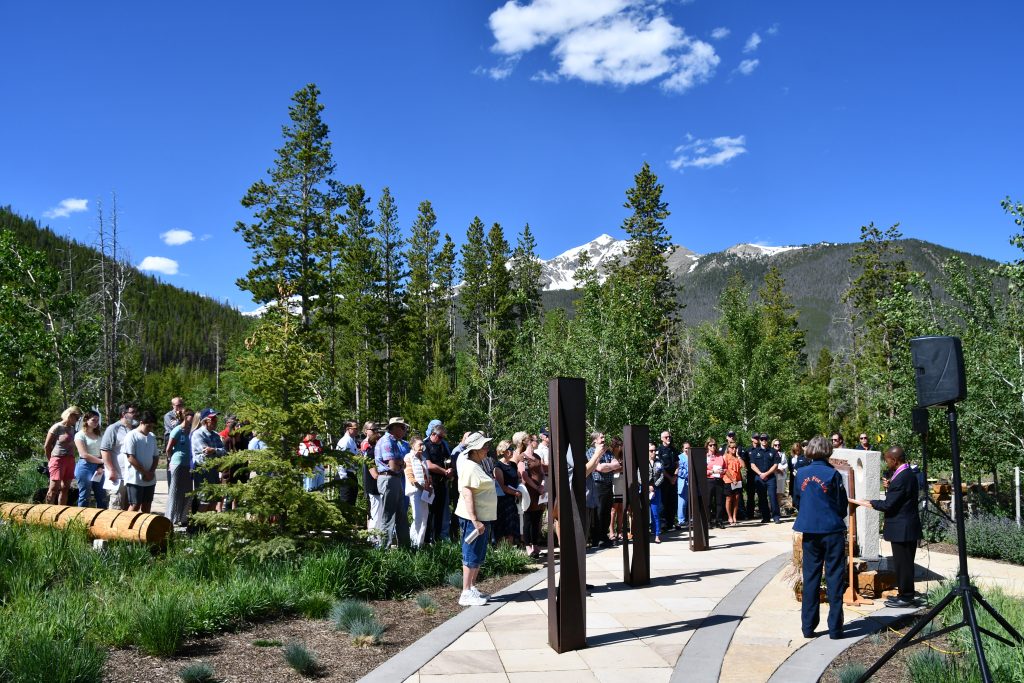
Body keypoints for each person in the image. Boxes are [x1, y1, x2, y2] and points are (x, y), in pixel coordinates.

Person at [850, 446, 924, 608]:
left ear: (894, 460)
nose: (886, 463)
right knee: (903, 564)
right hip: (905, 527)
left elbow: (888, 505)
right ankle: (904, 594)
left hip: (903, 529)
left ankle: (906, 597)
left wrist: (869, 502)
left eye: (887, 460)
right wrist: (890, 486)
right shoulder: (907, 474)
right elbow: (900, 496)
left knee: (904, 565)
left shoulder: (903, 477)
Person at [792, 435, 848, 640]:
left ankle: (808, 627)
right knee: (834, 578)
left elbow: (797, 500)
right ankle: (835, 629)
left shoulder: (801, 473)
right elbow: (842, 504)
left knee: (811, 579)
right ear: (827, 451)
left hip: (810, 531)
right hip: (831, 530)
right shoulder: (832, 474)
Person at [454, 432, 498, 606]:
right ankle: (465, 592)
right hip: (473, 519)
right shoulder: (469, 467)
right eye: (484, 446)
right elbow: (467, 494)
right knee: (471, 554)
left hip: (482, 518)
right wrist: (475, 520)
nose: (487, 449)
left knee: (478, 554)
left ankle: (471, 588)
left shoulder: (476, 465)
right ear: (475, 450)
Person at [375, 417, 411, 548]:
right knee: (388, 515)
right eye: (403, 427)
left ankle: (405, 547)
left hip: (395, 479)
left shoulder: (394, 442)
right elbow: (394, 466)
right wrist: (400, 464)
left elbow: (401, 464)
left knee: (401, 514)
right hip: (388, 479)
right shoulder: (387, 441)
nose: (405, 430)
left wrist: (400, 463)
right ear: (394, 427)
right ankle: (383, 548)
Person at [422, 420, 454, 544]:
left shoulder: (442, 445)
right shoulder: (425, 445)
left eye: (443, 437)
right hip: (430, 484)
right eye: (440, 437)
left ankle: (437, 540)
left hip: (442, 483)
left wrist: (450, 469)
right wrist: (444, 471)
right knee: (429, 513)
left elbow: (448, 459)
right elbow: (429, 465)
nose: (441, 439)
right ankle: (426, 540)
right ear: (433, 434)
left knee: (440, 512)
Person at [101, 404, 137, 510]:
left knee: (129, 507)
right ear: (123, 414)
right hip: (118, 477)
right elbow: (105, 450)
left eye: (136, 412)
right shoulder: (113, 428)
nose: (136, 414)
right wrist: (111, 470)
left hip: (132, 476)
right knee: (116, 507)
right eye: (132, 412)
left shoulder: (136, 429)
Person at [190, 408, 226, 513]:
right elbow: (205, 453)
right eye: (213, 419)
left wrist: (214, 450)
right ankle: (199, 522)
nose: (216, 421)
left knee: (214, 500)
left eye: (216, 419)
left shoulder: (216, 435)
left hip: (214, 471)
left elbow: (224, 452)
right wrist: (216, 452)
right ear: (205, 421)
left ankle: (209, 523)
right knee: (204, 501)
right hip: (203, 471)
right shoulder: (198, 434)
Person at [123, 411, 159, 513]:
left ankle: (145, 523)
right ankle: (127, 522)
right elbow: (130, 457)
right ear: (141, 422)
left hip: (150, 478)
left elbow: (156, 457)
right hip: (135, 479)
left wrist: (151, 472)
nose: (150, 429)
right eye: (148, 426)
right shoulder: (131, 435)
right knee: (135, 505)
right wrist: (145, 473)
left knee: (147, 505)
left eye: (152, 427)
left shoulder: (152, 436)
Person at [44, 406, 81, 505]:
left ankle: (61, 510)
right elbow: (47, 446)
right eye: (76, 417)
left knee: (65, 488)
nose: (77, 420)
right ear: (70, 415)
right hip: (57, 459)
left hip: (70, 460)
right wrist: (50, 460)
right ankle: (47, 510)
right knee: (54, 488)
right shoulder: (57, 427)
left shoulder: (73, 429)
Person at [592, 433, 623, 548]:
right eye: (601, 437)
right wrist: (610, 466)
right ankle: (597, 538)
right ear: (595, 440)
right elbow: (599, 468)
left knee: (606, 512)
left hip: (609, 485)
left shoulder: (608, 452)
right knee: (599, 512)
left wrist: (607, 466)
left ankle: (604, 537)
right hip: (598, 485)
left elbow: (617, 464)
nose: (604, 439)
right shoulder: (591, 451)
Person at [165, 408, 194, 527]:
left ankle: (183, 517)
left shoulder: (191, 431)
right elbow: (168, 449)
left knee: (187, 491)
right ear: (185, 416)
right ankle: (170, 518)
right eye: (190, 415)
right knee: (175, 490)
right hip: (177, 462)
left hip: (188, 464)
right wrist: (170, 461)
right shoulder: (177, 430)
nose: (192, 417)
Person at [517, 431, 545, 558]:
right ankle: (527, 546)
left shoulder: (537, 456)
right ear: (528, 442)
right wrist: (536, 487)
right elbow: (524, 476)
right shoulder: (522, 457)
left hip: (539, 491)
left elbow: (542, 472)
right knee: (528, 519)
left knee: (537, 519)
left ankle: (535, 545)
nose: (537, 442)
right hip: (529, 492)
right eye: (535, 440)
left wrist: (542, 485)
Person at [73, 409, 107, 508]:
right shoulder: (79, 435)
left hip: (99, 467)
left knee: (101, 495)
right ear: (86, 420)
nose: (96, 422)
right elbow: (84, 454)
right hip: (85, 467)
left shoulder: (99, 435)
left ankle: (102, 515)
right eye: (93, 420)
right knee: (85, 496)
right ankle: (80, 516)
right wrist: (102, 461)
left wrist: (101, 465)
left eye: (97, 420)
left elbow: (103, 451)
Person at [493, 439, 522, 545]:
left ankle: (511, 547)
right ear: (503, 450)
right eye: (510, 449)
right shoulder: (498, 467)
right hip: (503, 500)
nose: (512, 451)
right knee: (504, 525)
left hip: (514, 498)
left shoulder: (513, 464)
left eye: (513, 449)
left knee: (512, 526)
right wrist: (515, 493)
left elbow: (518, 479)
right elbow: (502, 486)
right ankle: (504, 550)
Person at [405, 437, 433, 548]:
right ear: (413, 446)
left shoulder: (423, 458)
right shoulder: (408, 457)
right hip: (415, 491)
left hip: (425, 491)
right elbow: (410, 476)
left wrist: (430, 487)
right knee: (417, 517)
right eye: (419, 445)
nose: (422, 447)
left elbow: (428, 475)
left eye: (422, 444)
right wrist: (421, 488)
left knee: (424, 518)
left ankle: (420, 544)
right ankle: (413, 544)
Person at [750, 433, 781, 523]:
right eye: (762, 439)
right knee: (762, 498)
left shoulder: (773, 451)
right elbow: (752, 465)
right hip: (759, 478)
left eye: (765, 439)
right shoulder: (755, 451)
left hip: (771, 477)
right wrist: (761, 474)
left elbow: (775, 465)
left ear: (768, 440)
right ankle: (766, 517)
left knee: (773, 497)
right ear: (760, 440)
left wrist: (766, 474)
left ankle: (776, 517)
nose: (764, 441)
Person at [656, 431, 680, 530]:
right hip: (664, 479)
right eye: (666, 437)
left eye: (669, 436)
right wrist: (670, 478)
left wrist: (674, 476)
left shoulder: (674, 449)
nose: (668, 438)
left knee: (673, 501)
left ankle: (671, 523)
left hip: (673, 479)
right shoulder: (659, 450)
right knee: (663, 502)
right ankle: (663, 524)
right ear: (662, 438)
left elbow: (678, 464)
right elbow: (660, 467)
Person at [609, 437, 627, 542]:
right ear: (615, 446)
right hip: (613, 483)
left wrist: (620, 468)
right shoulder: (609, 456)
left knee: (621, 509)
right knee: (613, 509)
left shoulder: (623, 456)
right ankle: (611, 531)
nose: (621, 447)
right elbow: (609, 470)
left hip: (622, 483)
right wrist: (619, 468)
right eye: (620, 445)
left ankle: (620, 531)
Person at [705, 438, 726, 528]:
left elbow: (725, 468)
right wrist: (712, 472)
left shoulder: (720, 456)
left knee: (719, 502)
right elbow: (702, 470)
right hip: (709, 481)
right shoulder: (705, 457)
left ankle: (719, 521)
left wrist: (723, 471)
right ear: (707, 446)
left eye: (714, 445)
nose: (713, 446)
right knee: (708, 502)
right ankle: (708, 521)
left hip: (719, 480)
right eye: (711, 445)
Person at [722, 442, 744, 525]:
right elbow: (725, 469)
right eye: (732, 447)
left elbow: (743, 465)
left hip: (738, 481)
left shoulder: (737, 457)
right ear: (728, 448)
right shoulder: (725, 457)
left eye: (735, 447)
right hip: (728, 481)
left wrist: (738, 456)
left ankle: (734, 516)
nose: (734, 449)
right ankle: (729, 516)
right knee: (729, 498)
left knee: (737, 498)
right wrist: (732, 479)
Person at [648, 443, 664, 543]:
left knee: (655, 512)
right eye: (651, 451)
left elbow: (662, 475)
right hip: (645, 489)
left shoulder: (659, 462)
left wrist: (654, 486)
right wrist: (648, 486)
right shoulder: (643, 462)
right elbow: (639, 475)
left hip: (656, 489)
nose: (653, 452)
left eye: (655, 450)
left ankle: (657, 534)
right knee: (644, 512)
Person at [676, 441, 690, 528]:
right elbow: (679, 471)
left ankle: (690, 519)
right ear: (682, 449)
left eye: (689, 448)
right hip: (683, 483)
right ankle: (681, 520)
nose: (687, 449)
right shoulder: (679, 457)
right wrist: (689, 474)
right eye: (686, 448)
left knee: (691, 502)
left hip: (692, 483)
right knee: (682, 503)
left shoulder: (692, 456)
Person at [772, 438, 788, 510]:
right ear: (773, 445)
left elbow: (786, 464)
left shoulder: (783, 454)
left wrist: (782, 469)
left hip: (781, 475)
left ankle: (778, 509)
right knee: (773, 493)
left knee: (780, 493)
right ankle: (773, 509)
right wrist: (777, 469)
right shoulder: (770, 453)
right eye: (775, 445)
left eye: (778, 445)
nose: (777, 446)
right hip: (773, 475)